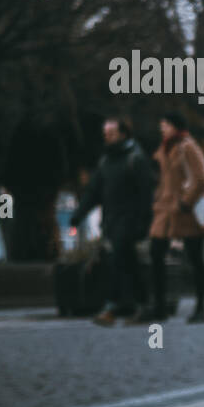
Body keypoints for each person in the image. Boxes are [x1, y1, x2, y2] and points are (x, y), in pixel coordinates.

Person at [69, 117, 153, 327]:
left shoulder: (136, 159)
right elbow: (93, 192)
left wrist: (144, 223)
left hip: (130, 221)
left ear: (124, 134)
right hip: (111, 221)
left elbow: (146, 196)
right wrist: (78, 215)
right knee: (128, 263)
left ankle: (111, 306)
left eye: (111, 133)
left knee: (116, 260)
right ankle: (143, 304)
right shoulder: (106, 161)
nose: (107, 137)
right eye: (105, 133)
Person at [146, 112, 204, 324]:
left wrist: (186, 202)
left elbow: (201, 179)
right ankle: (160, 306)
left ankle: (201, 307)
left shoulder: (187, 146)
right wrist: (157, 200)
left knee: (195, 259)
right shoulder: (166, 148)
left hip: (185, 212)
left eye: (165, 125)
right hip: (165, 211)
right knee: (156, 253)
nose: (162, 129)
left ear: (175, 126)